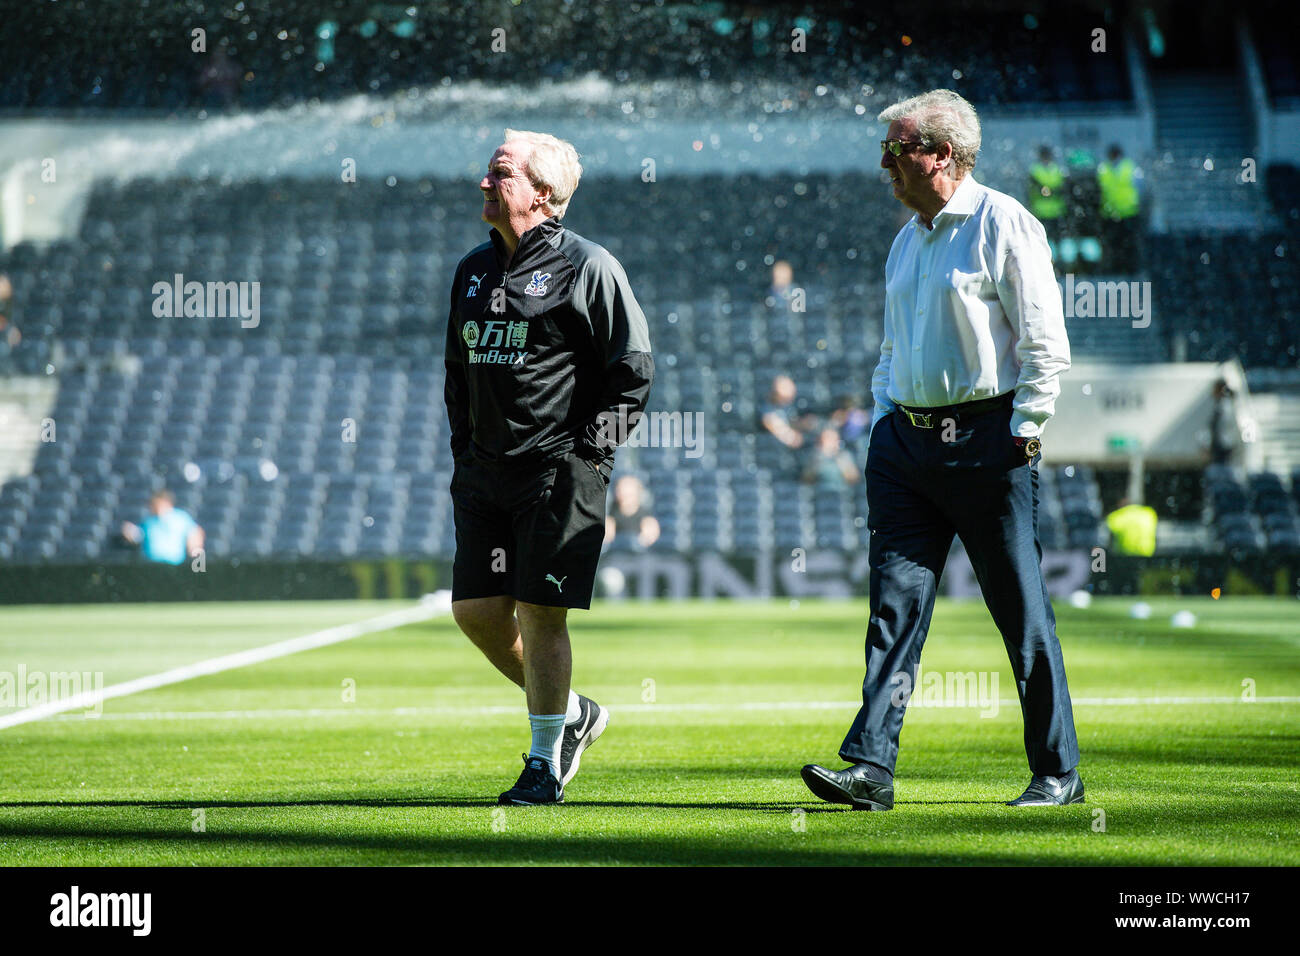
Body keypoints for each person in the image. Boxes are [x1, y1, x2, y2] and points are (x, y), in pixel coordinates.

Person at [801, 89, 1082, 811]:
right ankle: (871, 768)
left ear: (943, 154)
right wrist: (883, 422)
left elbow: (1046, 344)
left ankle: (1057, 772)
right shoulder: (907, 238)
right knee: (892, 611)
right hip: (906, 447)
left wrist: (1024, 427)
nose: (885, 163)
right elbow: (893, 348)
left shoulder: (1004, 222)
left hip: (989, 441)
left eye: (897, 149)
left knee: (1020, 613)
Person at [444, 129, 654, 806]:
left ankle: (542, 765)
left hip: (557, 472)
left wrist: (590, 459)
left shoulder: (589, 265)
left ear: (542, 193)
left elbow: (634, 373)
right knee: (477, 613)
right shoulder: (472, 270)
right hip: (484, 472)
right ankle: (572, 715)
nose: (484, 182)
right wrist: (463, 450)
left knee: (539, 613)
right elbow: (457, 370)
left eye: (499, 174)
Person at [120, 490, 204, 565]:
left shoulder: (181, 518)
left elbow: (195, 532)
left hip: (173, 566)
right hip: (151, 566)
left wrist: (194, 548)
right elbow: (138, 536)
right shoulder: (149, 521)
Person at [1096, 144, 1142, 270]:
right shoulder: (1104, 168)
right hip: (1111, 214)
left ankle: (1129, 269)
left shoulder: (1129, 167)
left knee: (1127, 245)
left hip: (1128, 213)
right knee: (1113, 245)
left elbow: (1140, 189)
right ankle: (1116, 268)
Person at [1027, 146, 1067, 258]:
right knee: (1042, 240)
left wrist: (1047, 190)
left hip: (1056, 211)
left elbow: (1062, 188)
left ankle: (1059, 263)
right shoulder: (1035, 170)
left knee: (1058, 240)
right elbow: (1035, 188)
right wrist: (1051, 191)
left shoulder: (1057, 170)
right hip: (1041, 211)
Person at [604, 475, 660, 551]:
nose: (623, 495)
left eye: (628, 493)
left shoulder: (647, 519)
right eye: (620, 490)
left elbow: (648, 540)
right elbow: (607, 539)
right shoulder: (611, 516)